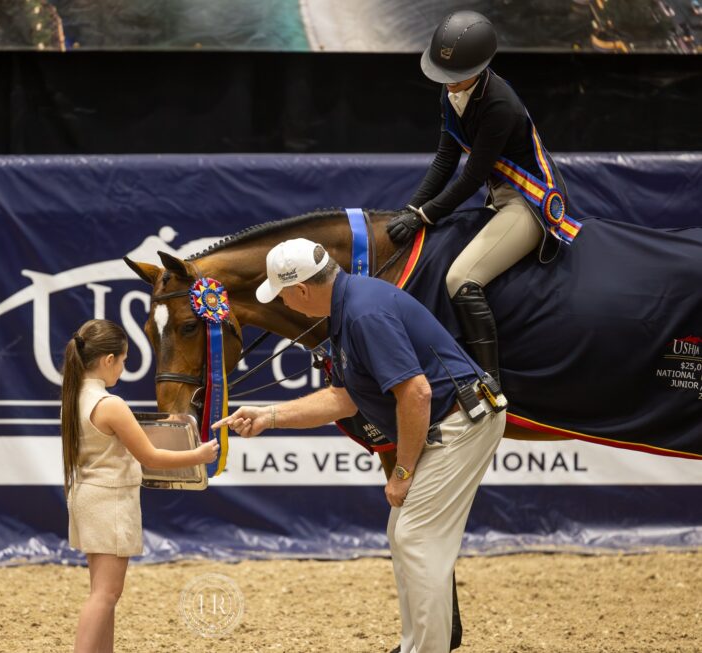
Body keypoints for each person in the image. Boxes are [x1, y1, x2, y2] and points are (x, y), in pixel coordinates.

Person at [214, 239, 506, 653]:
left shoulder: (363, 314)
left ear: (301, 290)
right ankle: (415, 646)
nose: (284, 304)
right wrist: (268, 416)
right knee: (405, 534)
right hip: (453, 417)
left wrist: (403, 473)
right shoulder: (351, 305)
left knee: (417, 538)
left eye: (282, 295)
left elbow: (416, 394)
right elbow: (343, 398)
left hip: (461, 421)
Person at [386, 10, 580, 383]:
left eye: (455, 78)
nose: (448, 85)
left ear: (478, 67)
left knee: (461, 278)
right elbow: (446, 157)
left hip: (529, 201)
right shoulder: (453, 88)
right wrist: (412, 208)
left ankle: (489, 382)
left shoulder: (499, 106)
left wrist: (425, 216)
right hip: (498, 195)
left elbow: (472, 176)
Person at [62, 319, 219, 653]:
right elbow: (151, 456)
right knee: (105, 594)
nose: (123, 367)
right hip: (111, 500)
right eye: (122, 360)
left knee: (101, 591)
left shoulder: (75, 396)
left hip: (88, 495)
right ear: (108, 360)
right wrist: (199, 454)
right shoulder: (110, 404)